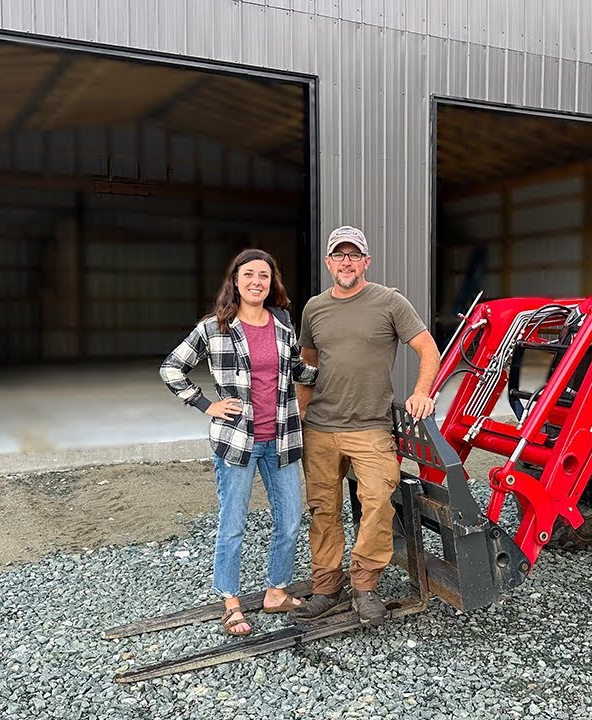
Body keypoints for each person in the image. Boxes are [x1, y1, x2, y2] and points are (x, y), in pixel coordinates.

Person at [160, 248, 317, 636]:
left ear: (272, 283)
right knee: (233, 525)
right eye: (248, 274)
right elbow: (171, 368)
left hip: (280, 440)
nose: (256, 282)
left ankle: (276, 592)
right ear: (235, 280)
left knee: (290, 521)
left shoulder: (282, 326)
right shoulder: (214, 328)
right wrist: (206, 405)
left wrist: (342, 368)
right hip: (236, 442)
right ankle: (230, 602)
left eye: (264, 275)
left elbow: (299, 371)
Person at [290, 226, 441, 627]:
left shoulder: (389, 301)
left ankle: (364, 585)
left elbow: (428, 348)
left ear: (366, 262)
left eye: (353, 255)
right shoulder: (314, 308)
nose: (346, 262)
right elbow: (308, 366)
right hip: (320, 427)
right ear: (328, 263)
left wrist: (422, 392)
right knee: (323, 508)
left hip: (370, 428)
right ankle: (327, 587)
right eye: (339, 255)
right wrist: (300, 415)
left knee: (377, 502)